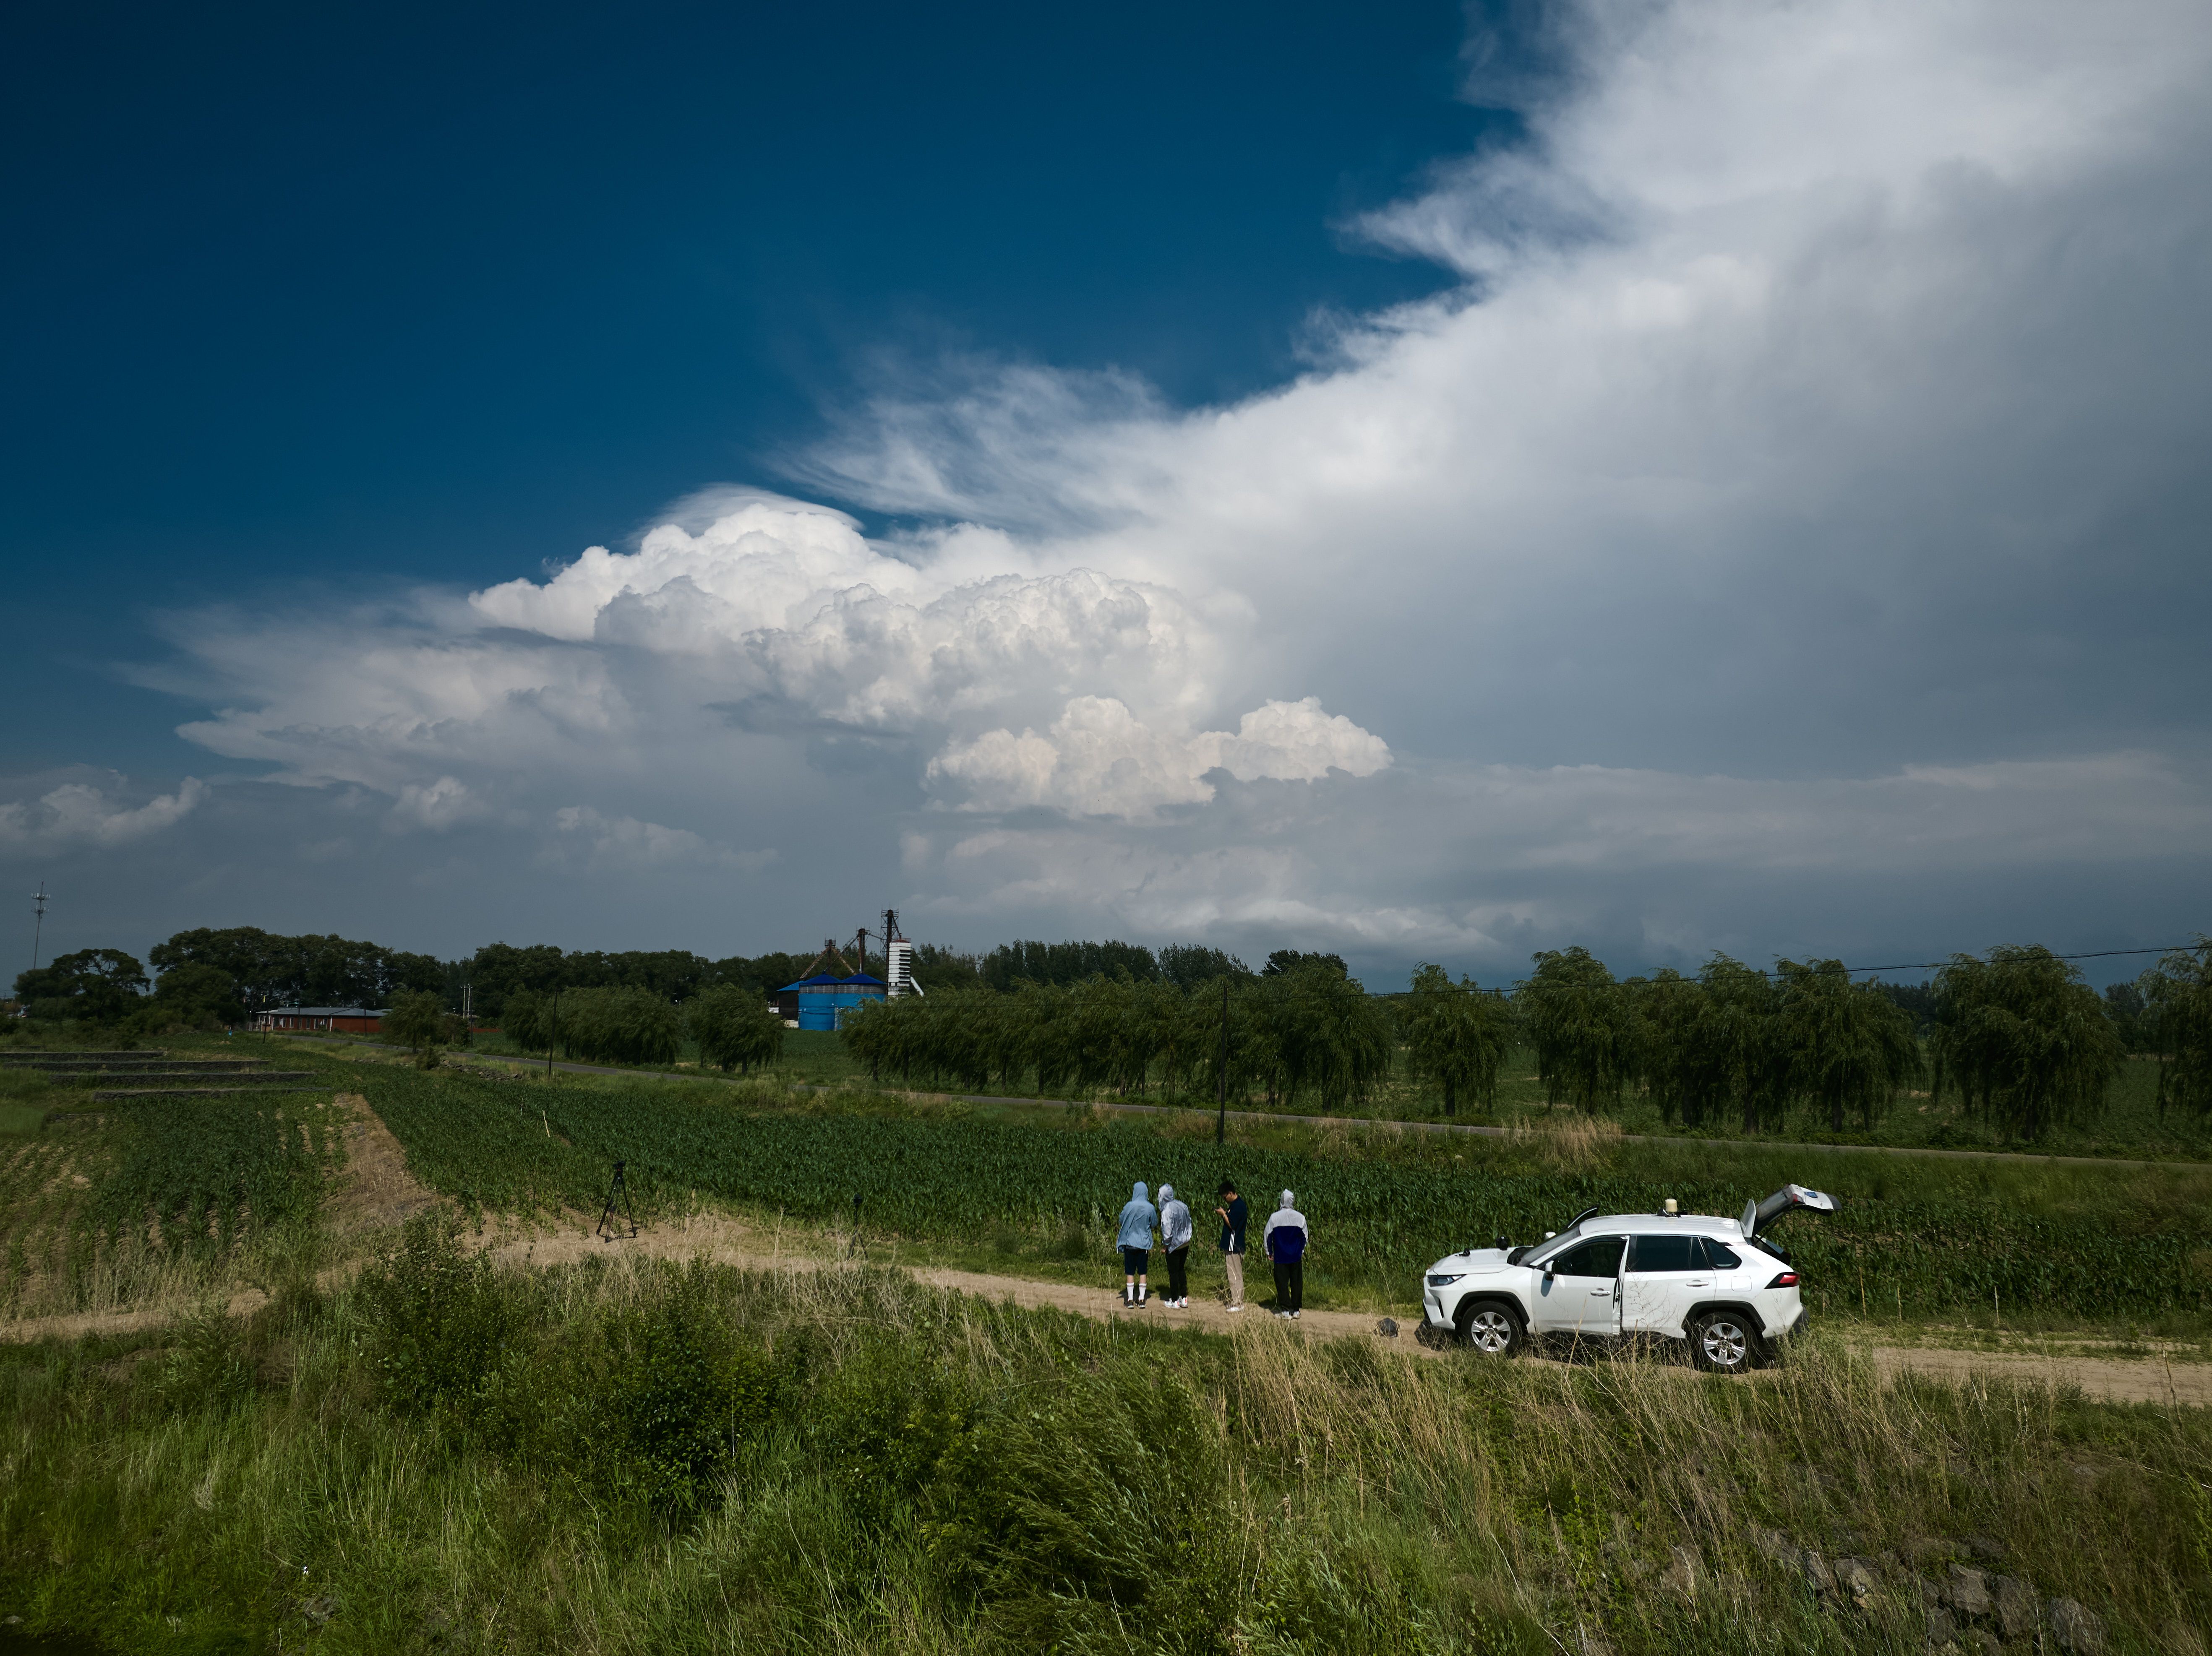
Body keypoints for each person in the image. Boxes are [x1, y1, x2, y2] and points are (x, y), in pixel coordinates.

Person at [1263, 1189, 1308, 1319]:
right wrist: (1300, 1252)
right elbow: (1305, 1238)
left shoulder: (1274, 1217)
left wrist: (1269, 1252)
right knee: (1296, 1283)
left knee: (1282, 1283)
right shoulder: (1300, 1218)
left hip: (1281, 1257)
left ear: (1281, 1201)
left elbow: (1268, 1236)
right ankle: (1296, 1310)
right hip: (1295, 1256)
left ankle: (1285, 1311)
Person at [1116, 1180, 1159, 1307]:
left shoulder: (1129, 1206)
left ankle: (1129, 1300)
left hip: (1130, 1244)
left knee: (1130, 1272)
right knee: (1143, 1272)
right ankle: (1141, 1299)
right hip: (1144, 1245)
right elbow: (1155, 1223)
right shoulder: (1150, 1207)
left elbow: (1121, 1219)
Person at [1157, 1184, 1193, 1307]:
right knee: (1181, 1269)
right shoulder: (1182, 1205)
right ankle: (1184, 1298)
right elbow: (1189, 1223)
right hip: (1185, 1243)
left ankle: (1174, 1300)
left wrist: (1165, 1245)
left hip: (1175, 1245)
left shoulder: (1167, 1209)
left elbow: (1167, 1230)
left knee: (1173, 1272)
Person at [1214, 1180, 1248, 1312]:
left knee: (1235, 1275)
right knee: (1233, 1274)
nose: (1225, 1200)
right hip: (1232, 1246)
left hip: (1234, 1247)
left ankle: (1238, 1303)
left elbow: (1232, 1224)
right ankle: (1236, 1301)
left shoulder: (1238, 1206)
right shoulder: (1236, 1205)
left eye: (1225, 1197)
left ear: (1230, 1193)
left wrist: (1223, 1215)